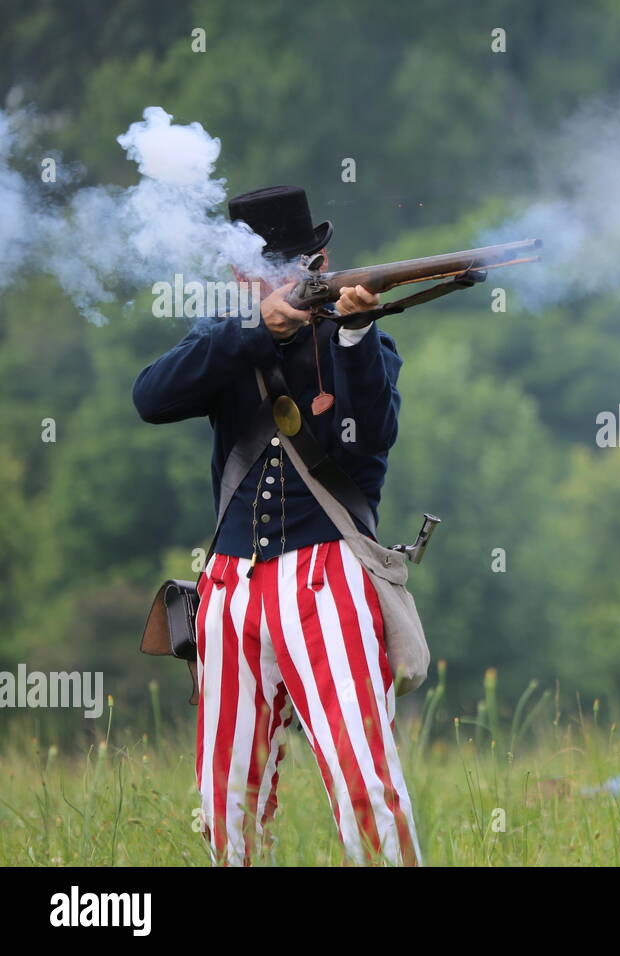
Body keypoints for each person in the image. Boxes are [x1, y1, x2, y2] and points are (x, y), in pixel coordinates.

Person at [133, 185, 421, 866]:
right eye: (261, 272)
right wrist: (255, 328)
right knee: (225, 796)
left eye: (294, 266)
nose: (280, 281)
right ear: (241, 277)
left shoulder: (363, 344)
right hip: (230, 586)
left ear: (321, 260)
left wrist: (353, 333)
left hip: (327, 577)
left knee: (364, 781)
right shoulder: (228, 339)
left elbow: (371, 437)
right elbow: (151, 396)